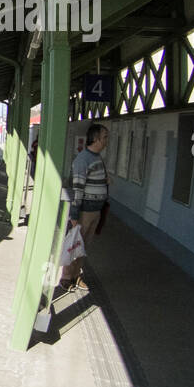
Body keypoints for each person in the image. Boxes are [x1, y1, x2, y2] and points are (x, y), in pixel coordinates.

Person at [60, 123, 110, 291]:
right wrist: (74, 215)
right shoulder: (83, 159)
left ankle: (76, 275)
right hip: (84, 212)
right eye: (105, 137)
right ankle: (66, 277)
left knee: (83, 247)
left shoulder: (97, 158)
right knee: (75, 244)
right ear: (95, 138)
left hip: (95, 210)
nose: (106, 141)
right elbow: (78, 189)